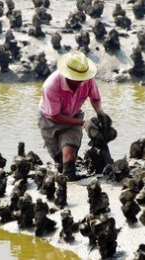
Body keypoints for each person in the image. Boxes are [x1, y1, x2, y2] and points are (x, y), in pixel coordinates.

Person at [37, 50, 109, 181]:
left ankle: (70, 178)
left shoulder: (88, 80)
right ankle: (62, 170)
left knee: (69, 157)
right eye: (77, 78)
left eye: (83, 77)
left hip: (74, 116)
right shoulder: (51, 86)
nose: (81, 81)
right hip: (49, 120)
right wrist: (84, 123)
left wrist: (100, 112)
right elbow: (55, 116)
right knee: (59, 162)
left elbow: (95, 98)